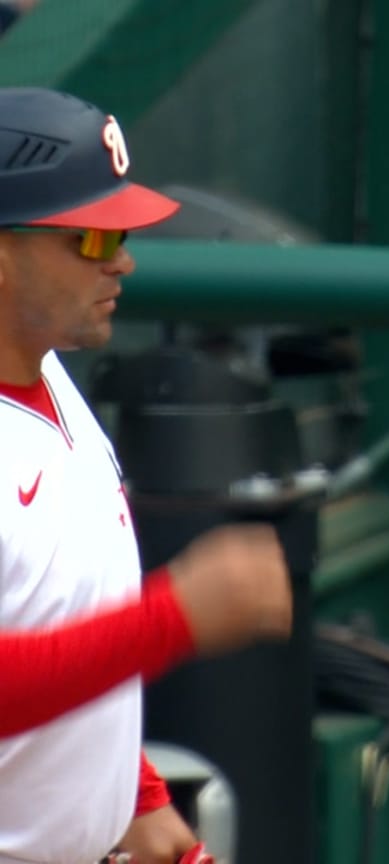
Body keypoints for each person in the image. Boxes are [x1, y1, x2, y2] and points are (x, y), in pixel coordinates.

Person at [0, 87, 294, 864]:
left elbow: (43, 616)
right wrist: (174, 617)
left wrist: (136, 797)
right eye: (93, 237)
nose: (122, 259)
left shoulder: (45, 370)